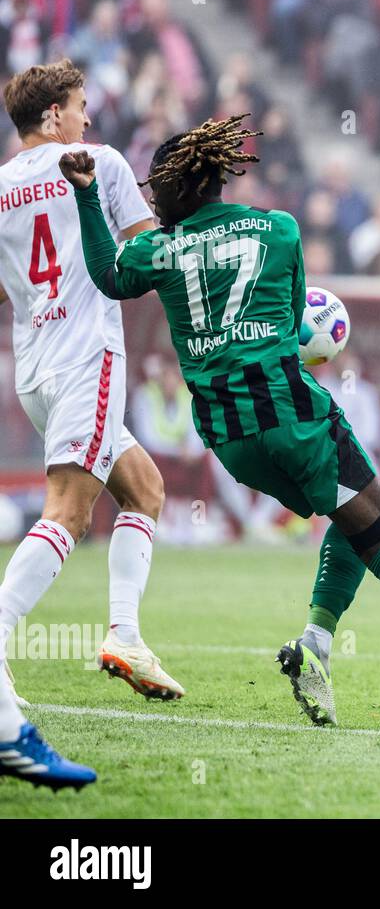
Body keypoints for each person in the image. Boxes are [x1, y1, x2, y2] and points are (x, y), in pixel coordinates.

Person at [64, 114, 380, 732]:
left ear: (180, 189)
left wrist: (84, 194)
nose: (152, 201)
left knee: (350, 513)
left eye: (156, 190)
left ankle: (315, 643)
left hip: (228, 437)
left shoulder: (157, 248)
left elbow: (107, 276)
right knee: (379, 531)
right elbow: (294, 332)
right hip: (292, 415)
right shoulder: (282, 230)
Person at [0, 59, 184, 792]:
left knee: (144, 488)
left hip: (35, 369)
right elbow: (145, 252)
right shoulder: (99, 162)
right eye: (77, 107)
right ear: (51, 117)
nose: (86, 119)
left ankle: (126, 636)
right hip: (88, 356)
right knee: (69, 513)